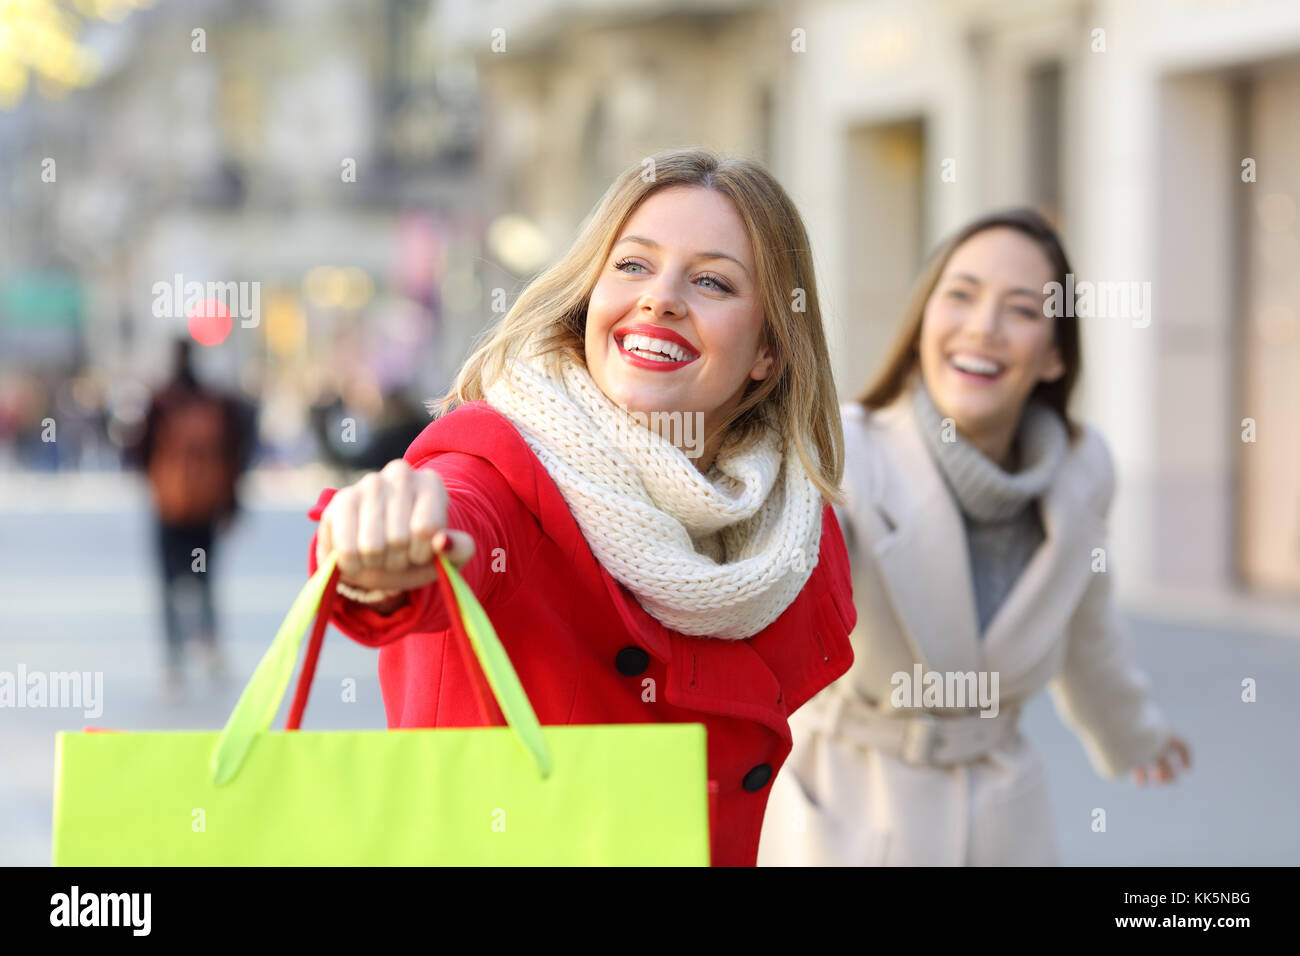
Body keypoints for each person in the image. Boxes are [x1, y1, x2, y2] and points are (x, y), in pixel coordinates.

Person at [306, 148, 857, 867]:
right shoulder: (495, 460)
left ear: (768, 353)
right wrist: (392, 538)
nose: (660, 298)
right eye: (633, 265)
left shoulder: (788, 534)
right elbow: (455, 517)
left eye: (712, 281)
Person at [757, 209, 1191, 866]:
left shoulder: (1083, 469)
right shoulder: (839, 453)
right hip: (844, 808)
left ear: (1053, 354)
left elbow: (1089, 630)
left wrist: (1133, 735)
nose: (982, 327)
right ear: (924, 321)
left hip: (1002, 817)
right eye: (959, 295)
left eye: (1021, 309)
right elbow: (759, 585)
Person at [130, 337, 255, 694]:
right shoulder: (215, 401)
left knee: (169, 583)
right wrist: (230, 503)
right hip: (205, 508)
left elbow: (138, 450)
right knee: (204, 577)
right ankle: (208, 642)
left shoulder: (160, 401)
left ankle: (173, 658)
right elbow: (235, 454)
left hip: (170, 507)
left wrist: (160, 481)